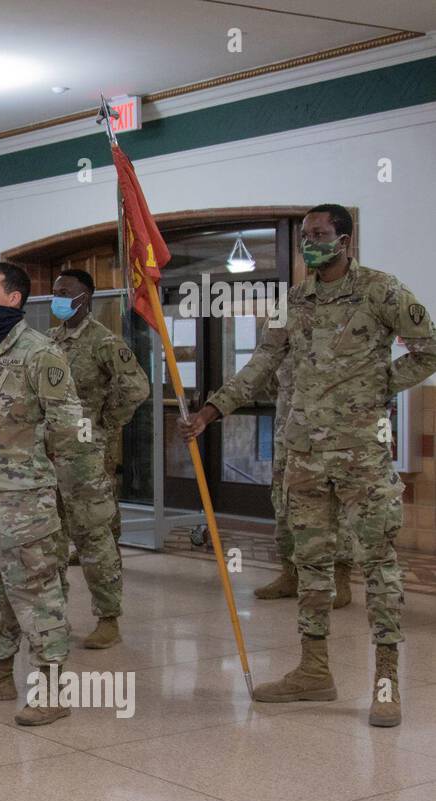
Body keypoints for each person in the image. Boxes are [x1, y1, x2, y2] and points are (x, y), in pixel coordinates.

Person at [179, 204, 436, 727]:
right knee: (313, 564)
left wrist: (379, 383)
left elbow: (429, 349)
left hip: (361, 453)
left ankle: (385, 682)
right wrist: (213, 409)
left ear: (345, 239)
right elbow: (263, 363)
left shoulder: (382, 291)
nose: (310, 243)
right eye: (305, 236)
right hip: (304, 457)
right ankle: (314, 670)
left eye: (319, 235)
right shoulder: (295, 299)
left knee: (378, 565)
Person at [0, 262, 97, 726]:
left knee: (35, 589)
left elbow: (71, 427)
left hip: (24, 500)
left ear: (13, 299)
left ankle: (51, 687)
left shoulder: (40, 353)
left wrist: (69, 489)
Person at [46, 268, 150, 649]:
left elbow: (137, 387)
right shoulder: (50, 341)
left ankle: (108, 617)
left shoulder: (104, 341)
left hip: (86, 456)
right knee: (50, 538)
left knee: (94, 537)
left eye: (66, 292)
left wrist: (106, 422)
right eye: (55, 291)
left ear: (85, 297)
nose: (58, 297)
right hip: (49, 453)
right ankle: (53, 614)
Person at [255, 352, 354, 608]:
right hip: (286, 429)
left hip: (327, 432)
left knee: (335, 504)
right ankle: (290, 573)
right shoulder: (281, 322)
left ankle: (340, 579)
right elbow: (268, 374)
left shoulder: (336, 318)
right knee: (282, 498)